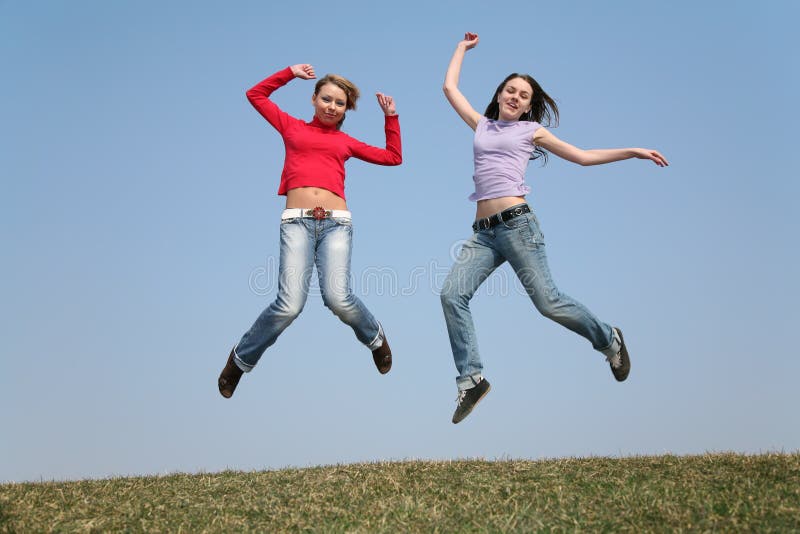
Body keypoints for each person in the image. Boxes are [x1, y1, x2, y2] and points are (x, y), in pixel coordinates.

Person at [440, 33, 668, 423]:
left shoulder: (531, 133)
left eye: (523, 95)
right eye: (510, 90)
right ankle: (472, 379)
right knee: (451, 295)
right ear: (498, 95)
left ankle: (609, 338)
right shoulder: (481, 125)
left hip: (517, 226)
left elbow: (581, 157)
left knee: (549, 303)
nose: (515, 97)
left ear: (529, 106)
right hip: (483, 234)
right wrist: (462, 48)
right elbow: (449, 87)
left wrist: (631, 151)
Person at [218, 63, 402, 398]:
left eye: (340, 103)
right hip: (297, 222)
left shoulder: (345, 142)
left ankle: (376, 339)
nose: (332, 106)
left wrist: (391, 117)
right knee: (289, 305)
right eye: (327, 99)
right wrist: (288, 72)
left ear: (346, 109)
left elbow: (393, 157)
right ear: (314, 99)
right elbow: (255, 95)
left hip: (336, 224)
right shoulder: (291, 127)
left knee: (338, 299)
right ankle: (240, 359)